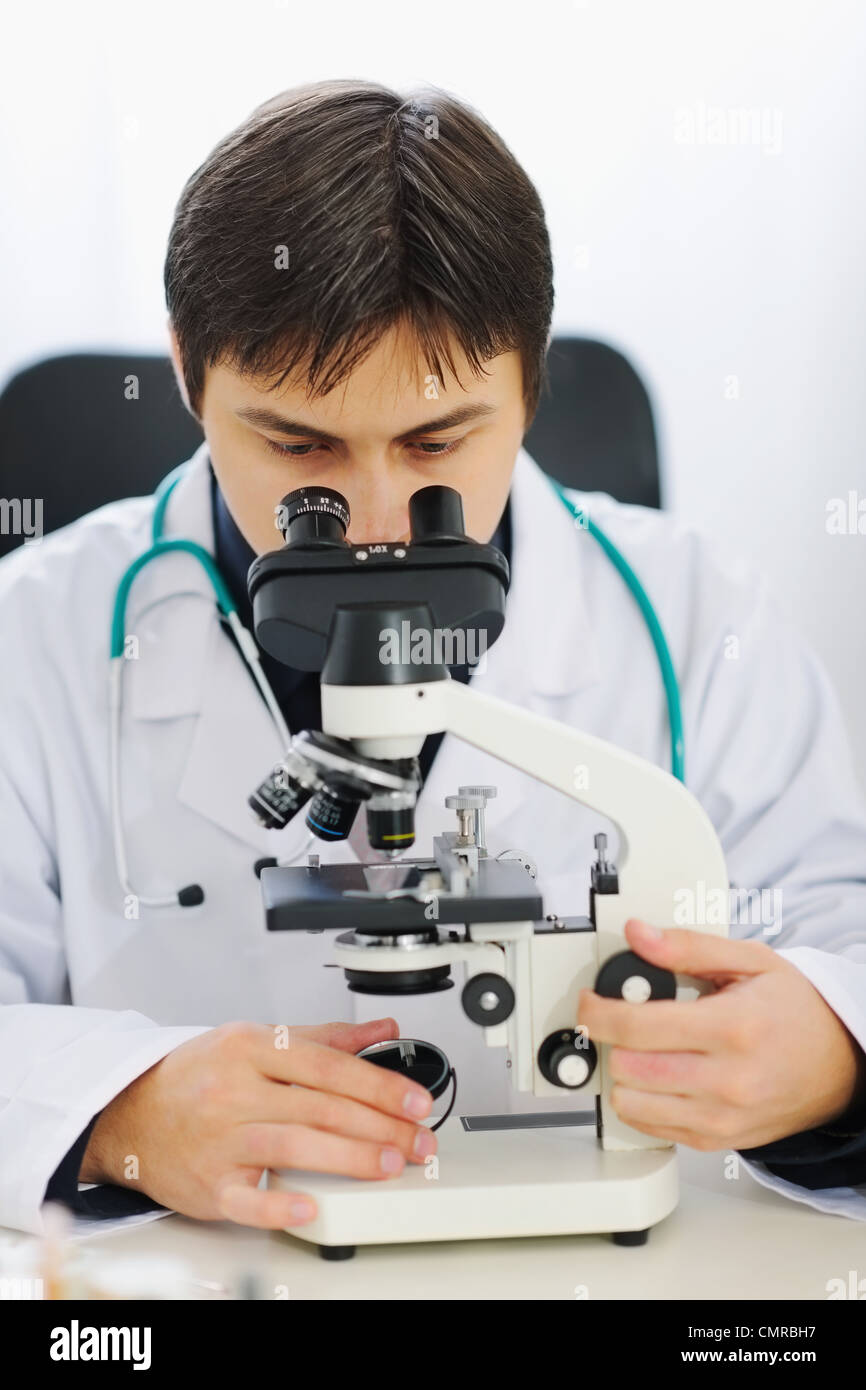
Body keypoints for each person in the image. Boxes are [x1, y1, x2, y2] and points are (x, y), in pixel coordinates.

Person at [1, 79, 865, 1239]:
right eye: (298, 444)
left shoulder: (697, 616)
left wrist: (830, 1049)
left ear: (529, 376)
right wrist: (113, 1112)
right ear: (185, 372)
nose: (373, 518)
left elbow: (837, 929)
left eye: (435, 442)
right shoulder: (33, 634)